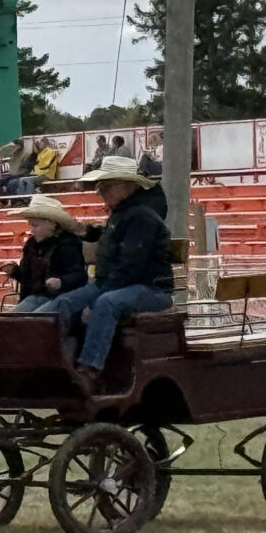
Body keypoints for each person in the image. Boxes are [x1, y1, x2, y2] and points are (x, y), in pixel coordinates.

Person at [52, 155, 174, 395]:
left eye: (105, 186)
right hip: (117, 284)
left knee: (106, 303)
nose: (100, 192)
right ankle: (59, 362)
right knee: (65, 302)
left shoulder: (142, 217)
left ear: (126, 185)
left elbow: (131, 267)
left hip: (152, 289)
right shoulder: (122, 215)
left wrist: (96, 300)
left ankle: (89, 369)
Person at [5, 195, 88, 312]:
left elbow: (79, 276)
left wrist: (61, 282)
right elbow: (28, 280)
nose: (31, 230)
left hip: (61, 297)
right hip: (35, 297)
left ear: (51, 224)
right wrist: (14, 272)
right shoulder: (31, 244)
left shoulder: (68, 243)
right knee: (10, 321)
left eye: (35, 225)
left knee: (36, 320)